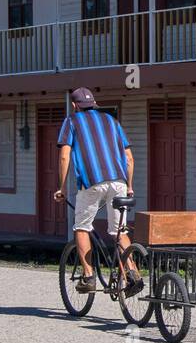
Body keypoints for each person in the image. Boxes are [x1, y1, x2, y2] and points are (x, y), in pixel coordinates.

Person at [52, 87, 142, 296]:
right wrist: (129, 186)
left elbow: (64, 156)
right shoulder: (112, 121)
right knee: (119, 231)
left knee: (82, 227)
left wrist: (62, 187)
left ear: (75, 106)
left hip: (92, 182)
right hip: (119, 181)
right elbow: (129, 158)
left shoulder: (72, 121)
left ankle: (88, 276)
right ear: (94, 103)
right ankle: (133, 272)